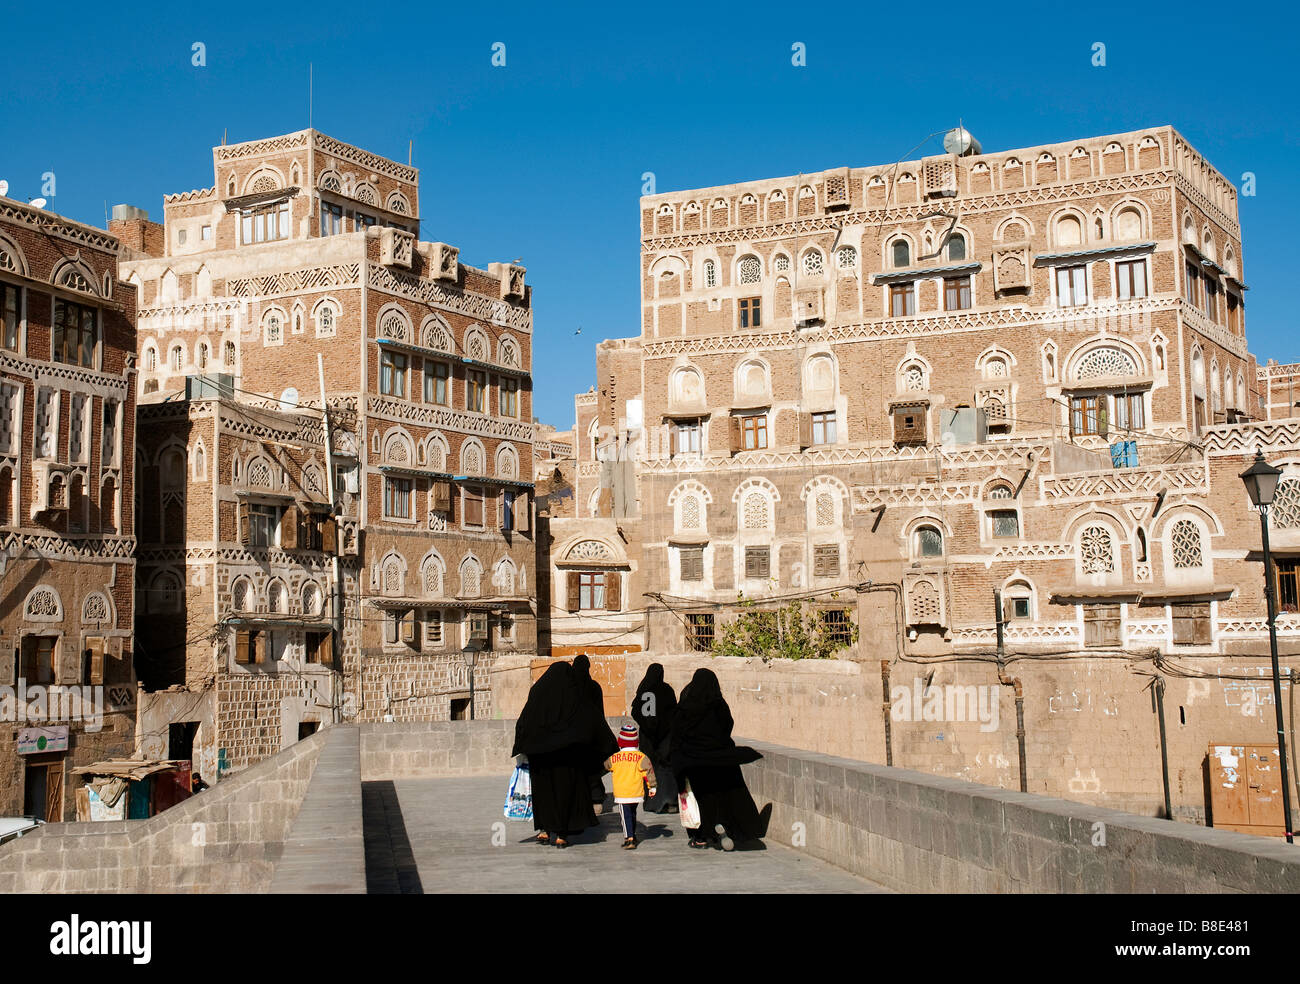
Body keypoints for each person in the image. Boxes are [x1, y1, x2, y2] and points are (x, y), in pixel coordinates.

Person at [512, 661, 610, 848]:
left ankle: (544, 830)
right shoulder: (573, 694)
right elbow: (590, 719)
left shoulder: (538, 692)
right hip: (567, 756)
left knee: (543, 794)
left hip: (540, 756)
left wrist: (523, 746)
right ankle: (562, 834)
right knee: (565, 794)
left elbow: (525, 720)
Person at [670, 668, 765, 851]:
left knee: (701, 799)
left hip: (695, 760)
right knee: (725, 796)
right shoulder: (719, 704)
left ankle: (702, 838)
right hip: (721, 757)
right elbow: (727, 725)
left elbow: (677, 734)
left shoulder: (686, 706)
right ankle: (728, 828)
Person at [571, 654, 617, 807]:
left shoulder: (569, 686)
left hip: (574, 734)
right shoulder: (594, 687)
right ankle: (596, 795)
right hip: (593, 732)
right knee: (593, 765)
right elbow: (600, 711)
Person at [631, 662, 678, 813]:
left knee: (648, 768)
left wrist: (646, 726)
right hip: (665, 735)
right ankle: (670, 801)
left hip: (647, 737)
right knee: (666, 766)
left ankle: (652, 803)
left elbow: (635, 712)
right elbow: (673, 711)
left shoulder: (644, 690)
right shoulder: (666, 690)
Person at [603, 723, 657, 849]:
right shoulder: (641, 757)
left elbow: (606, 765)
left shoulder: (615, 758)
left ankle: (629, 838)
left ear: (620, 742)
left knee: (625, 815)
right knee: (632, 814)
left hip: (622, 794)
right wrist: (652, 787)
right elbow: (649, 772)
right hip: (636, 792)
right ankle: (633, 834)